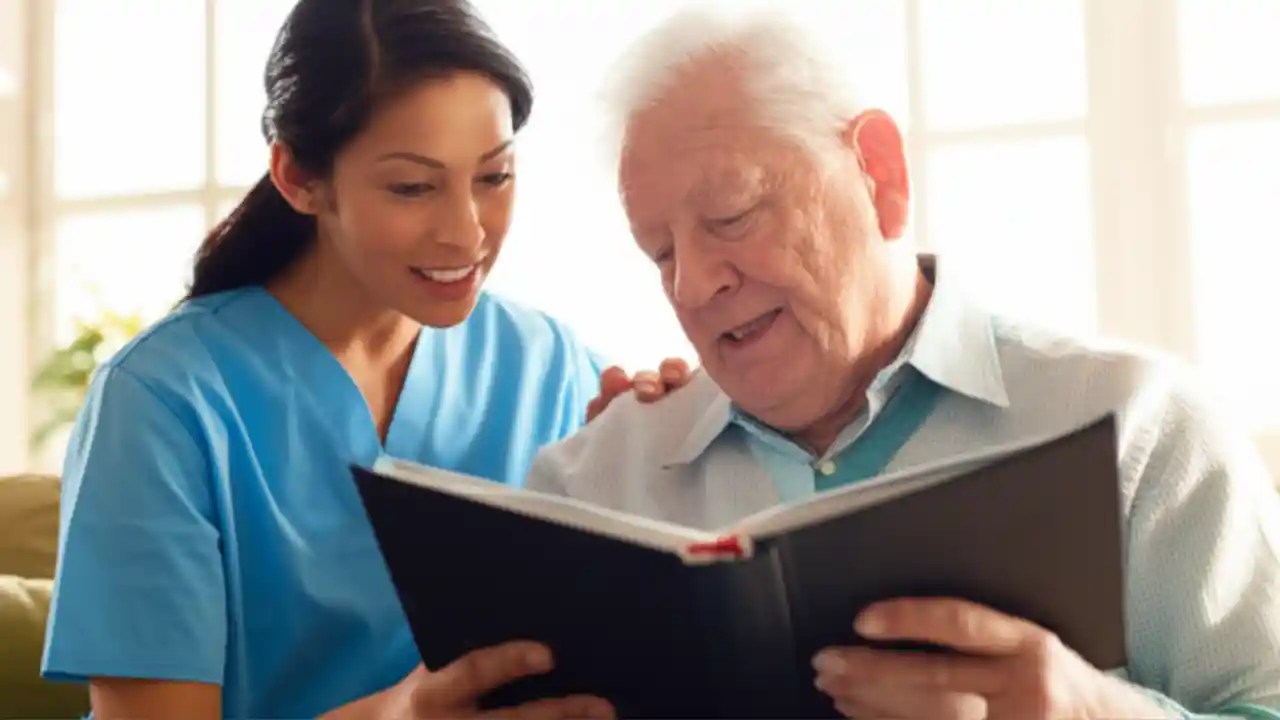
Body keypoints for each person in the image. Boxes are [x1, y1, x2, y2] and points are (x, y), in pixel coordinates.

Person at [526, 6, 1280, 719]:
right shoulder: (585, 489)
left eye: (732, 216)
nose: (692, 284)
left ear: (879, 174)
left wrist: (1094, 711)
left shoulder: (1146, 427)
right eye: (660, 253)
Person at [40, 1, 690, 719]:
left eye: (494, 176)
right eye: (413, 187)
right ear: (297, 177)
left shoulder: (553, 369)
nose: (466, 232)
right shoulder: (162, 401)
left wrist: (662, 455)